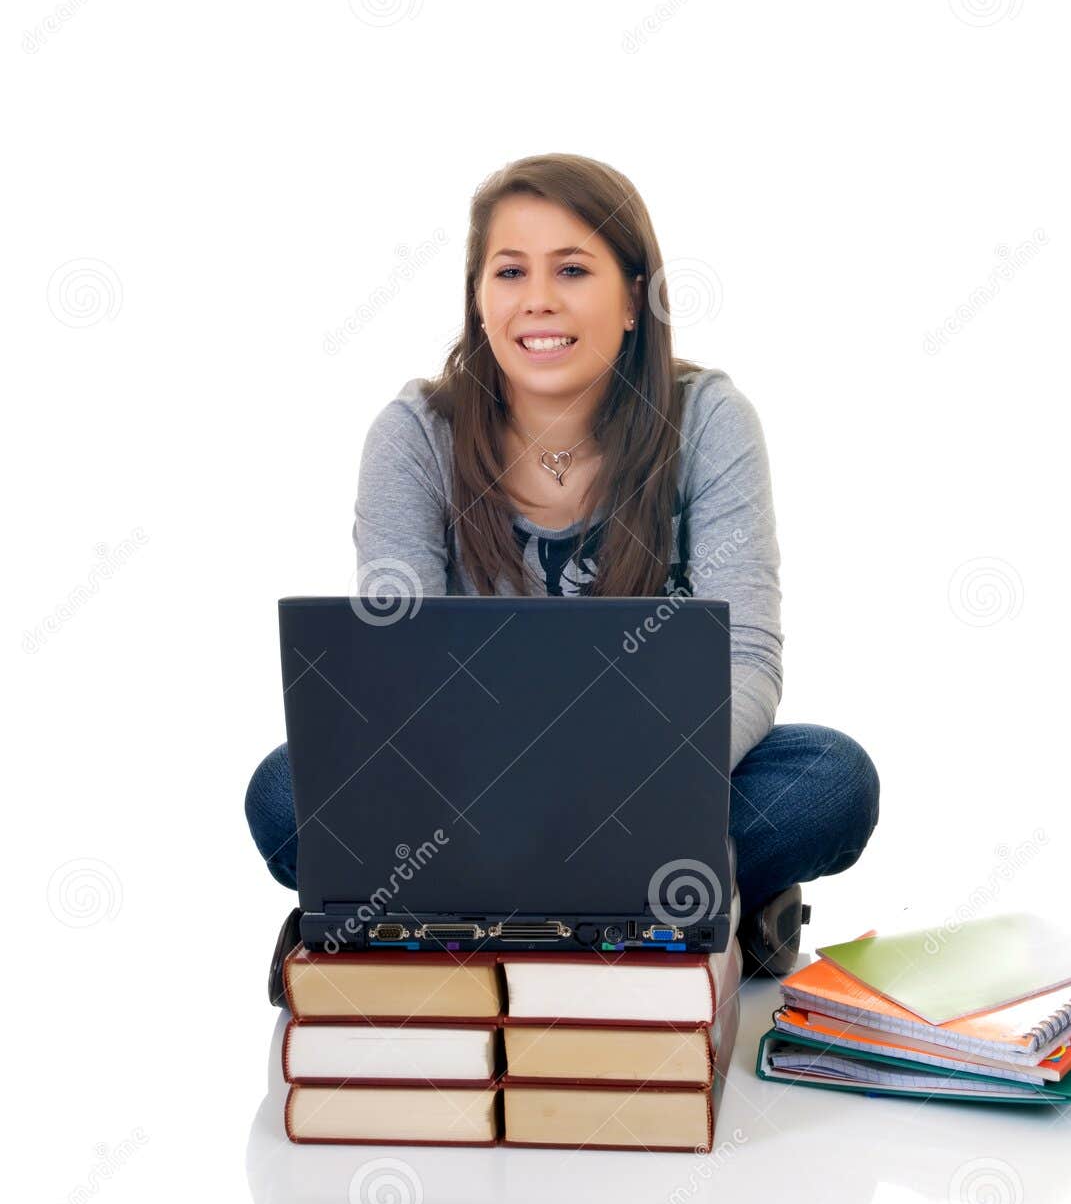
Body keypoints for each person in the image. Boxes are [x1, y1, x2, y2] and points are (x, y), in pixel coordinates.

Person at [246, 153, 880, 976]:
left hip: (653, 785)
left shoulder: (709, 422)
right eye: (509, 271)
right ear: (479, 299)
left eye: (573, 269)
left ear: (632, 300)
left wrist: (618, 786)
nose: (537, 299)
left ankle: (466, 917)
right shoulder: (415, 436)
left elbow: (746, 656)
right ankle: (663, 910)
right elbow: (395, 675)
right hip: (463, 795)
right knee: (283, 791)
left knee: (828, 781)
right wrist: (509, 802)